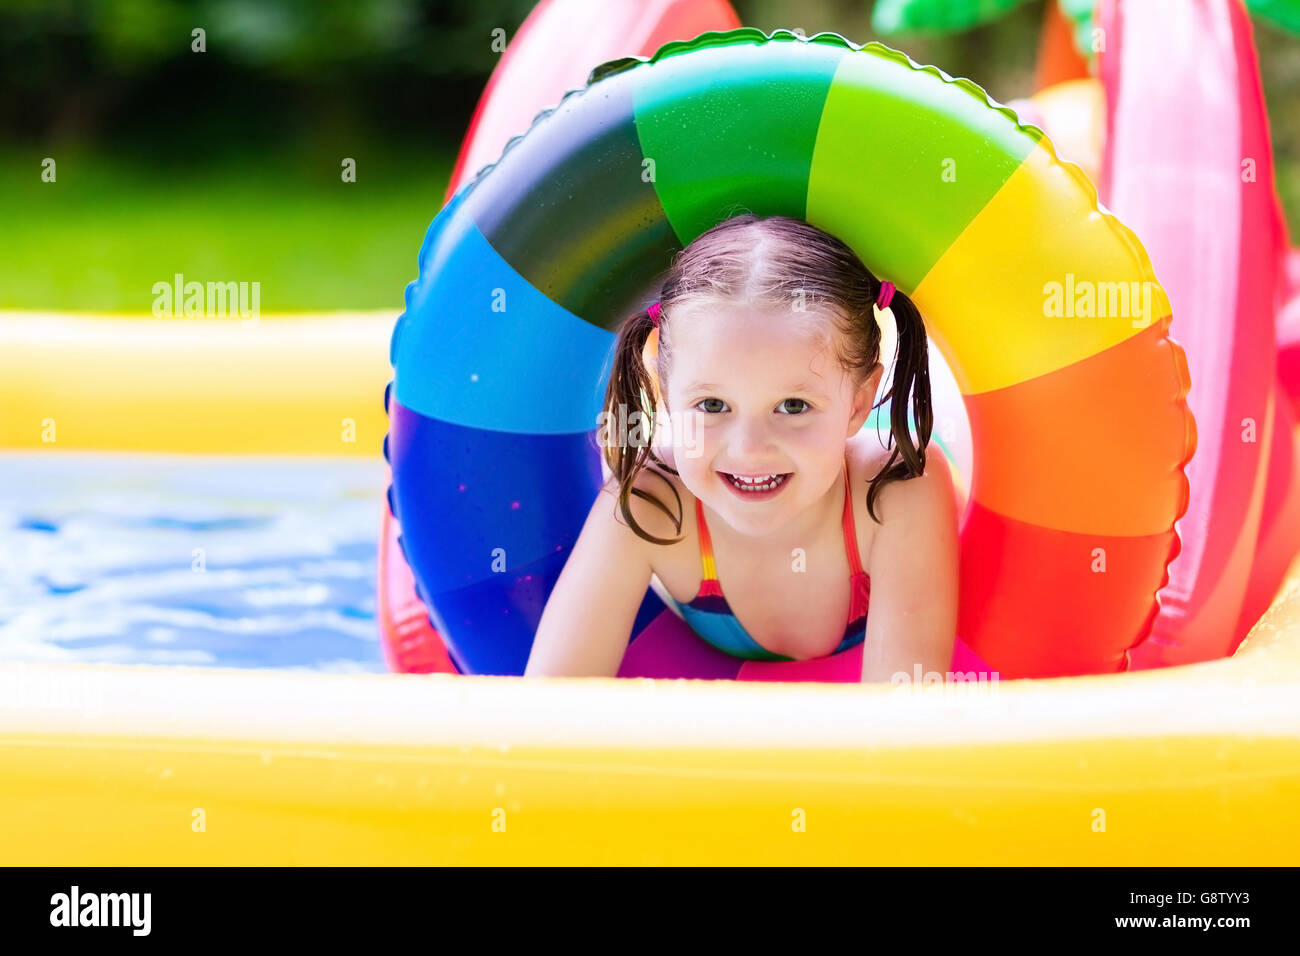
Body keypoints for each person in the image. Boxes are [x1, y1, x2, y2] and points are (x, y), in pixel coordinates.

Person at [525, 214, 958, 682]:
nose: (750, 449)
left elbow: (905, 728)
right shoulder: (651, 505)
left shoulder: (898, 487)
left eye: (793, 406)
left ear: (858, 402)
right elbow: (553, 705)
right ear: (665, 393)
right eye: (712, 404)